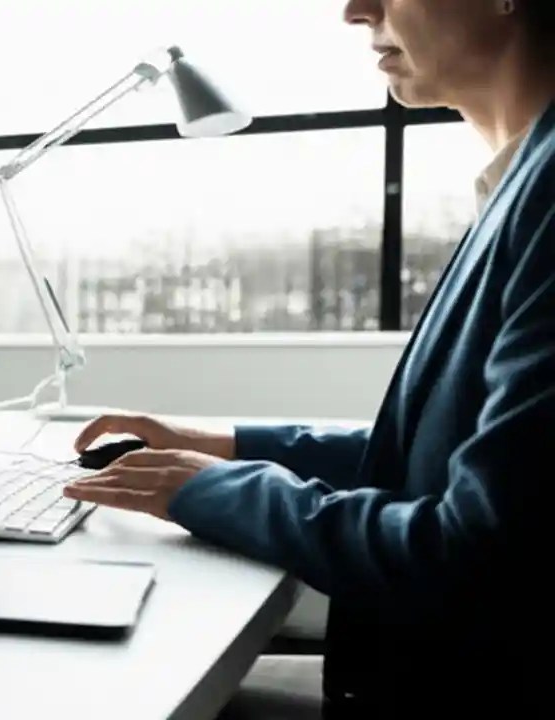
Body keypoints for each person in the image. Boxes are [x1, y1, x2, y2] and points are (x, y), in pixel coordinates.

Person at [64, 0, 555, 714]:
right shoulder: (522, 182)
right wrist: (223, 446)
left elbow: (477, 553)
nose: (356, 10)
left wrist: (211, 489)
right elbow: (443, 456)